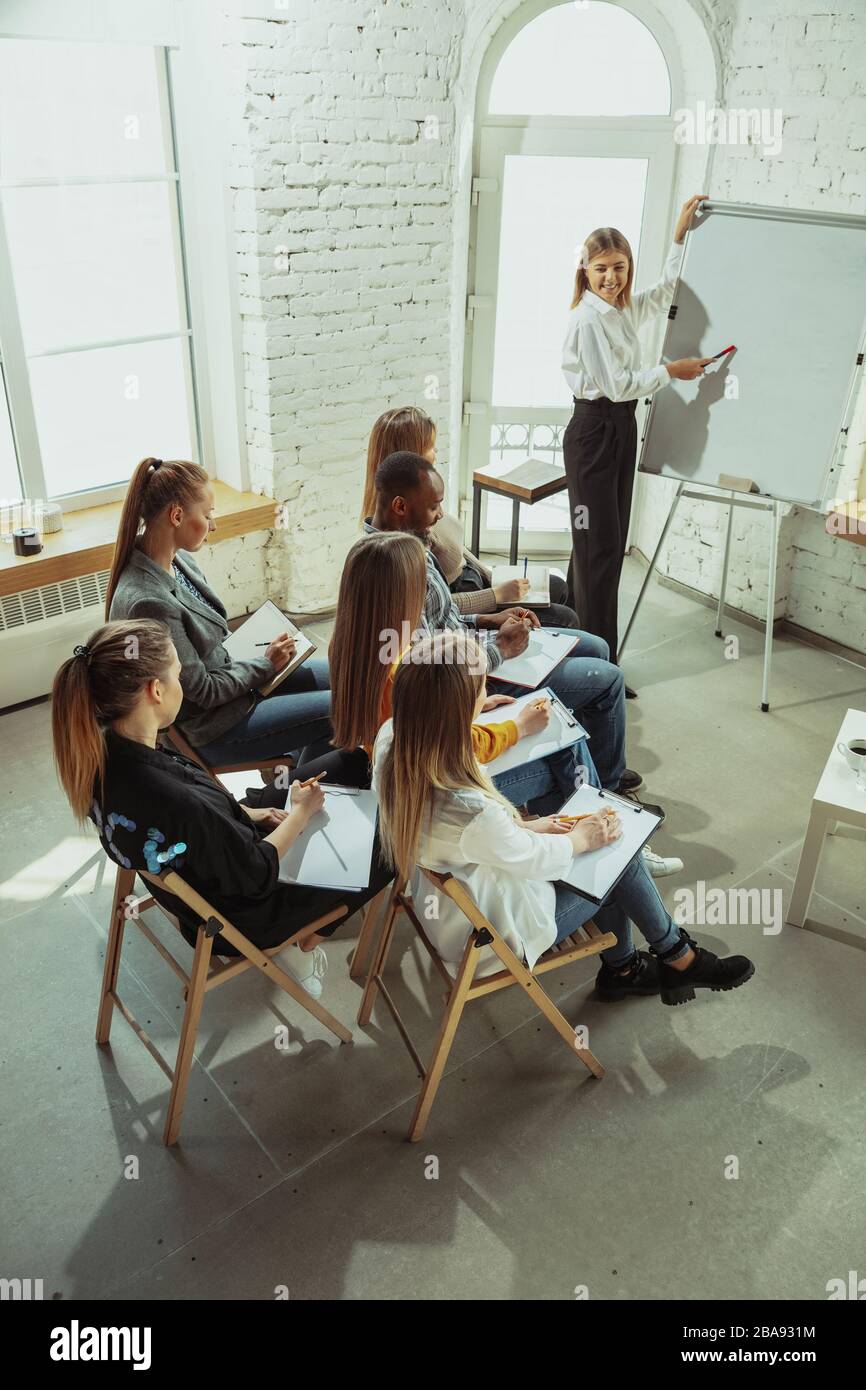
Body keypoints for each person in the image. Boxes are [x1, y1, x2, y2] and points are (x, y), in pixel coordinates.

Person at [372, 630, 755, 1006]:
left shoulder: (392, 740)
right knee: (617, 849)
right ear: (457, 713)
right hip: (497, 933)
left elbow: (468, 838)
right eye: (481, 690)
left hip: (449, 909)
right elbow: (530, 855)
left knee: (600, 830)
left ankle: (628, 968)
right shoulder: (472, 810)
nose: (485, 695)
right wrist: (582, 839)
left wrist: (530, 827)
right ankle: (677, 957)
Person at [365, 453, 683, 876]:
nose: (440, 514)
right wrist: (500, 654)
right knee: (589, 701)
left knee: (593, 650)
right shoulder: (394, 564)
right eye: (434, 504)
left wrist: (487, 619)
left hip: (472, 666)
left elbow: (443, 626)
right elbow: (432, 662)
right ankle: (607, 817)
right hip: (474, 670)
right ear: (401, 503)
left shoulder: (408, 549)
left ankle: (602, 802)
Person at [51, 619, 392, 998]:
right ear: (156, 691)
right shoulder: (175, 799)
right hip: (249, 914)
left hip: (212, 865)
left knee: (348, 761)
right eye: (178, 675)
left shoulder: (104, 755)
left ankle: (319, 852)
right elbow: (259, 872)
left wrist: (255, 814)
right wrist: (300, 813)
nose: (183, 685)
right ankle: (311, 935)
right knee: (397, 839)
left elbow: (200, 829)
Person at [328, 530, 601, 814]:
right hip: (435, 803)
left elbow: (423, 731)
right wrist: (518, 727)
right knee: (564, 742)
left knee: (562, 752)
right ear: (404, 593)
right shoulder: (406, 666)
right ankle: (602, 833)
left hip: (400, 782)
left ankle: (569, 834)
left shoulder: (351, 643)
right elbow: (460, 748)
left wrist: (468, 708)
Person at [561, 194, 715, 685]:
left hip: (618, 428)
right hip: (594, 432)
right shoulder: (587, 319)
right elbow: (616, 385)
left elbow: (666, 291)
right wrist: (671, 371)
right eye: (602, 269)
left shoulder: (618, 308)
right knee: (601, 552)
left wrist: (679, 235)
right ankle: (599, 670)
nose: (613, 278)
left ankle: (571, 645)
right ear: (584, 270)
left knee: (597, 544)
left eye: (621, 268)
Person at [106, 457, 332, 766]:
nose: (213, 524)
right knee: (342, 708)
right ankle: (290, 792)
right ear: (176, 515)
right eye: (208, 515)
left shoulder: (174, 559)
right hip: (215, 724)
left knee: (344, 679)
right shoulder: (148, 602)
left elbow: (213, 641)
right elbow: (202, 691)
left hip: (235, 678)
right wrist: (265, 666)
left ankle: (298, 771)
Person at [361, 406, 579, 627]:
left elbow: (454, 547)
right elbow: (435, 606)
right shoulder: (404, 529)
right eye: (430, 447)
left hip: (479, 580)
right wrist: (497, 594)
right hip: (472, 598)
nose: (436, 453)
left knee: (558, 586)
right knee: (567, 618)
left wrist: (490, 574)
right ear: (410, 453)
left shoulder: (422, 495)